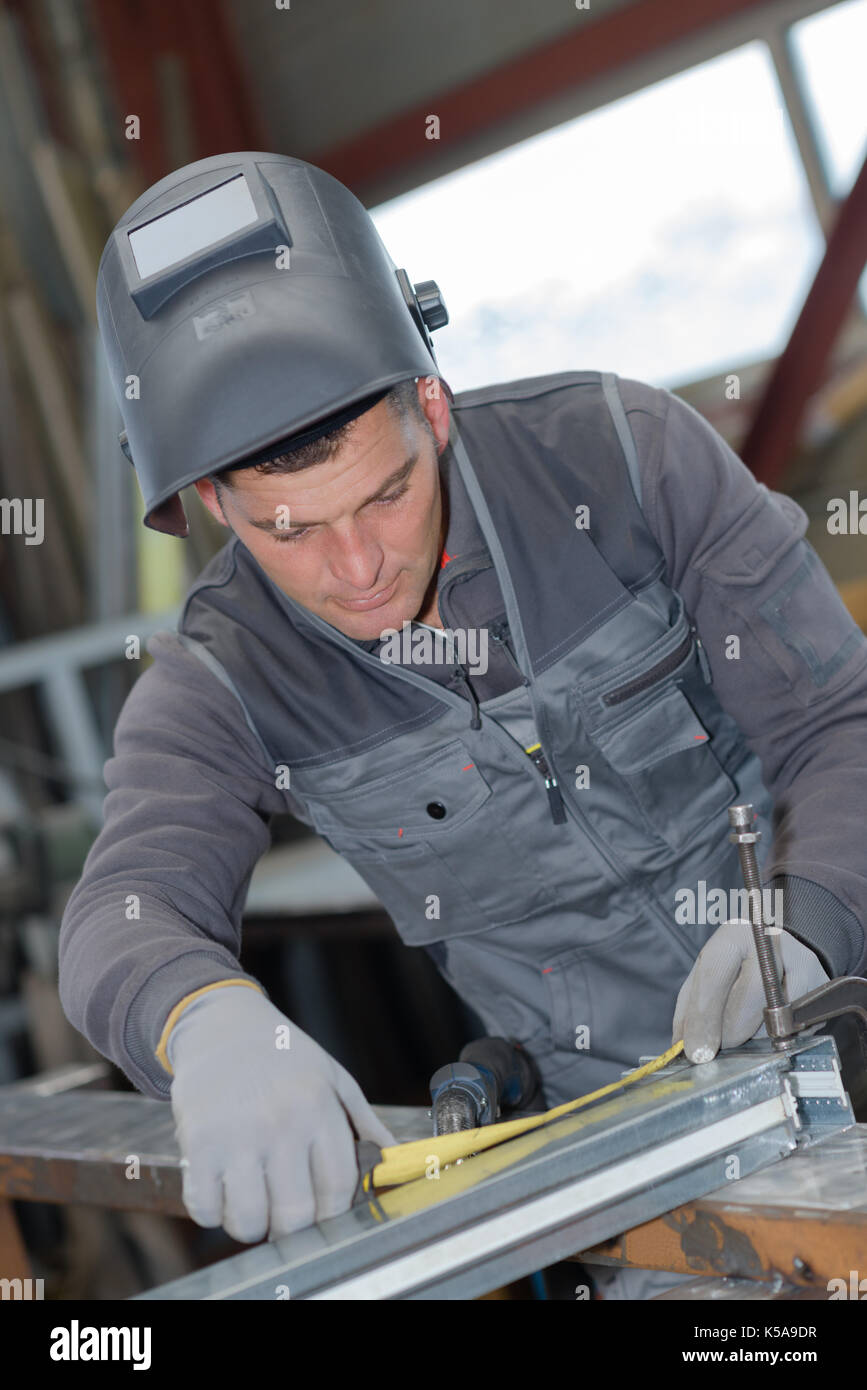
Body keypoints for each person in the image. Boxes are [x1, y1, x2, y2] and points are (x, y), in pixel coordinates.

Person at [59, 152, 867, 1298]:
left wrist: (814, 919)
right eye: (287, 530)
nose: (356, 567)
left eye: (385, 492)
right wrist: (205, 1021)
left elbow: (845, 718)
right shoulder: (223, 679)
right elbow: (122, 905)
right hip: (650, 1174)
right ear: (209, 506)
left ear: (429, 405)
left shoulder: (621, 462)